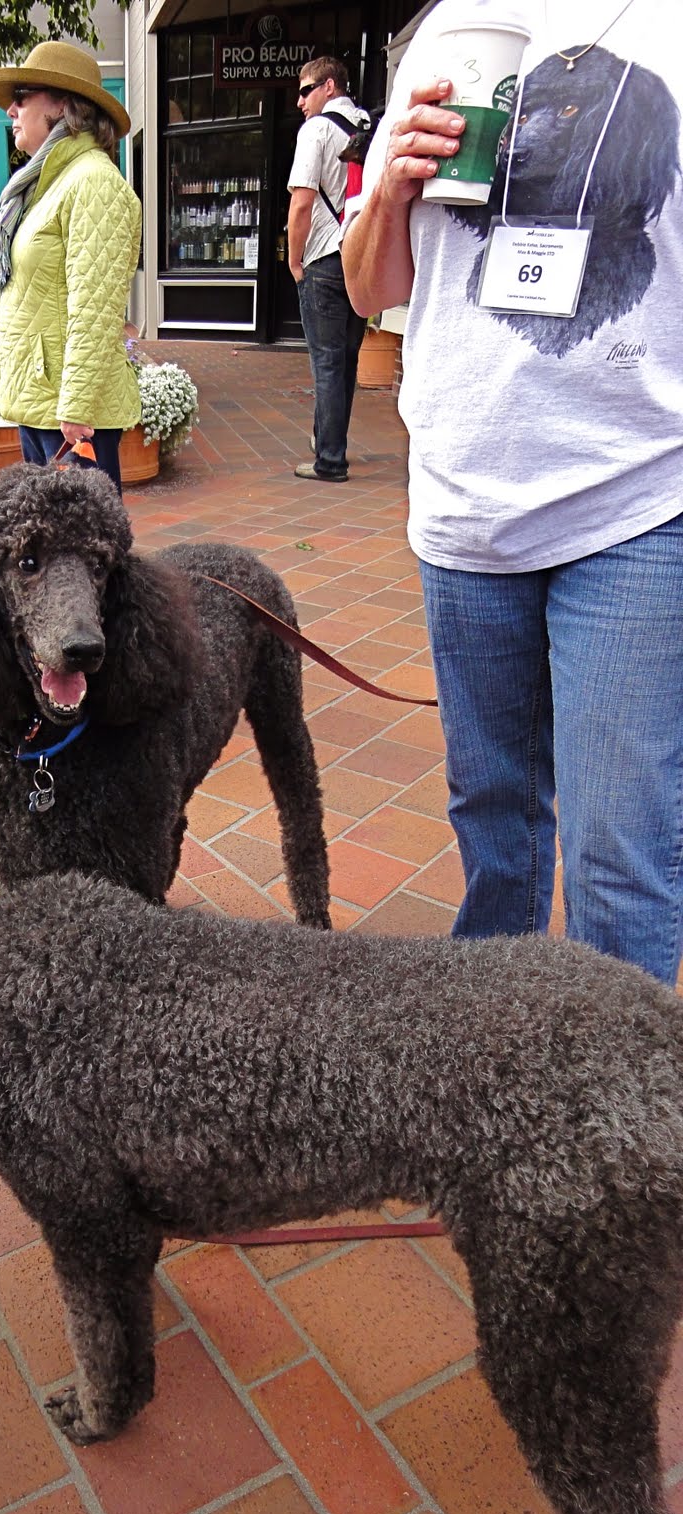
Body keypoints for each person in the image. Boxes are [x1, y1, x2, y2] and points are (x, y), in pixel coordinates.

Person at [342, 0, 683, 984]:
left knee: (619, 852)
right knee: (493, 826)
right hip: (463, 503)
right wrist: (389, 191)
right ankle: (491, 1055)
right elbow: (370, 290)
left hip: (635, 500)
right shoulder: (449, 28)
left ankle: (618, 1082)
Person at [0, 40, 141, 493]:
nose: (11, 109)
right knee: (51, 534)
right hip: (44, 405)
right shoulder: (45, 186)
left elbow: (96, 307)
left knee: (84, 536)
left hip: (70, 415)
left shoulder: (93, 183)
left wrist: (76, 406)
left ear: (63, 106)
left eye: (23, 95)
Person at [287, 55, 372, 484]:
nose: (300, 101)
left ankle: (330, 461)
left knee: (326, 363)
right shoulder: (369, 127)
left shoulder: (316, 130)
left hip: (323, 257)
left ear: (329, 87)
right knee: (346, 361)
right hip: (361, 258)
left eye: (306, 90)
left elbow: (302, 202)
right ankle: (328, 440)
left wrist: (293, 260)